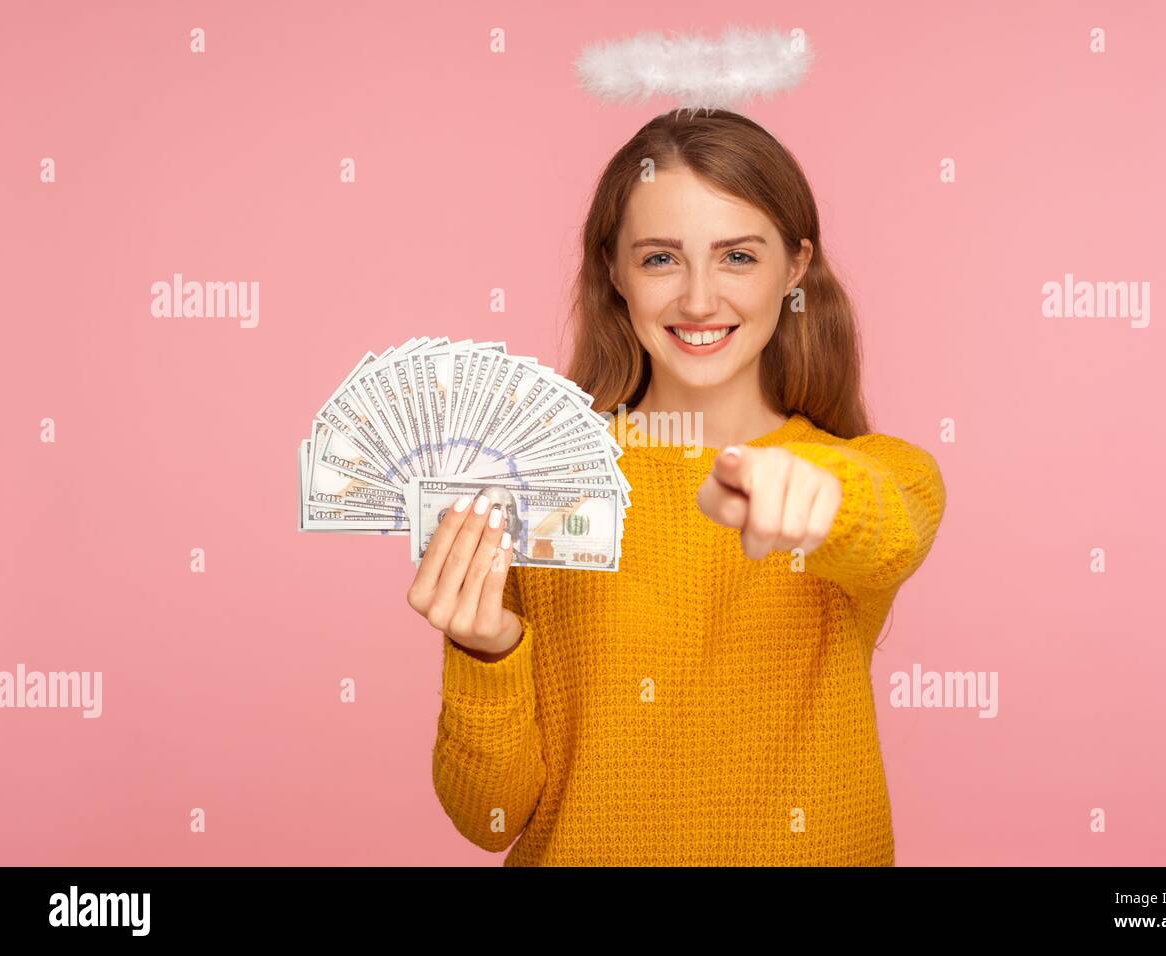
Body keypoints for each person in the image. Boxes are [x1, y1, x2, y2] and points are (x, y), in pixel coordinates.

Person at [406, 109, 947, 865]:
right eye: (662, 259)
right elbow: (492, 822)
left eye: (737, 257)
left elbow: (889, 528)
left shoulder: (881, 471)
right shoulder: (540, 487)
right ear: (614, 272)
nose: (698, 300)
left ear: (795, 268)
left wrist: (819, 497)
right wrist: (484, 649)